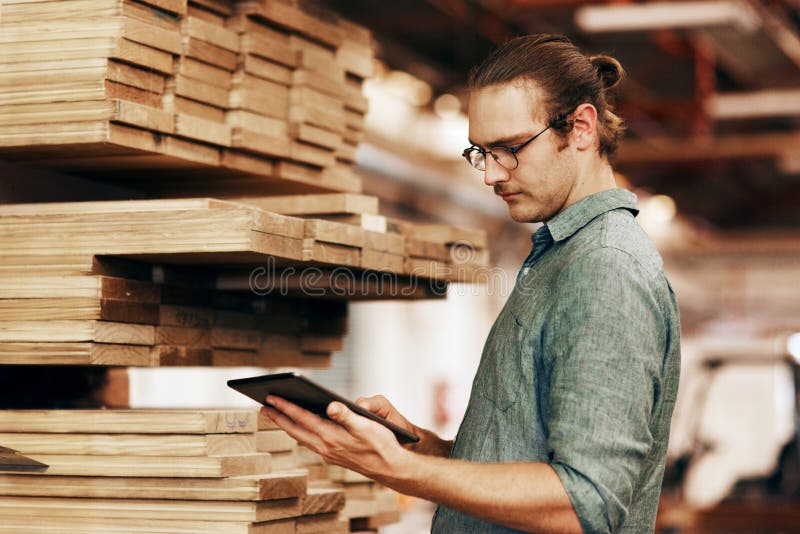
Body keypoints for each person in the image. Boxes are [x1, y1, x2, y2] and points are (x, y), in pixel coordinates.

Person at [262, 34, 681, 534]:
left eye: (510, 149)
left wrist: (401, 470)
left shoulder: (605, 268)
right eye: (482, 152)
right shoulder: (563, 259)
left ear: (581, 128)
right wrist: (415, 446)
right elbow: (519, 460)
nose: (491, 175)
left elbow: (583, 503)